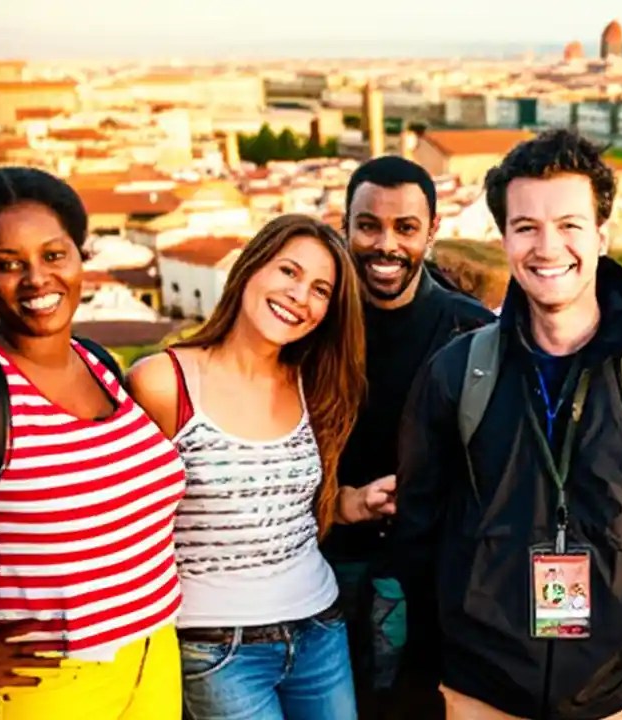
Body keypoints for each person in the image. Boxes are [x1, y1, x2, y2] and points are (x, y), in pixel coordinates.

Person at [390, 129, 622, 719]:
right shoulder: (456, 373)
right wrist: (452, 664)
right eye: (526, 226)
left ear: (602, 236)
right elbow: (418, 532)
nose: (548, 246)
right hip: (483, 694)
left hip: (618, 696)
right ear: (504, 238)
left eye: (570, 225)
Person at [128, 214, 378, 720]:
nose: (299, 295)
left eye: (320, 289)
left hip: (319, 626)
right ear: (250, 268)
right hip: (216, 647)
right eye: (289, 271)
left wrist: (351, 502)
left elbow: (291, 502)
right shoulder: (163, 382)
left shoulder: (312, 384)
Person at [0, 167, 186, 718]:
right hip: (45, 683)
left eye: (53, 255)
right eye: (7, 264)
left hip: (155, 656)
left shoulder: (101, 363)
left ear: (80, 258)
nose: (36, 279)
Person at [324, 156, 494, 718]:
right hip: (328, 570)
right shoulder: (313, 325)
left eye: (405, 228)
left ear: (432, 232)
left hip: (432, 582)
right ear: (345, 225)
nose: (385, 245)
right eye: (369, 226)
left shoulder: (472, 331)